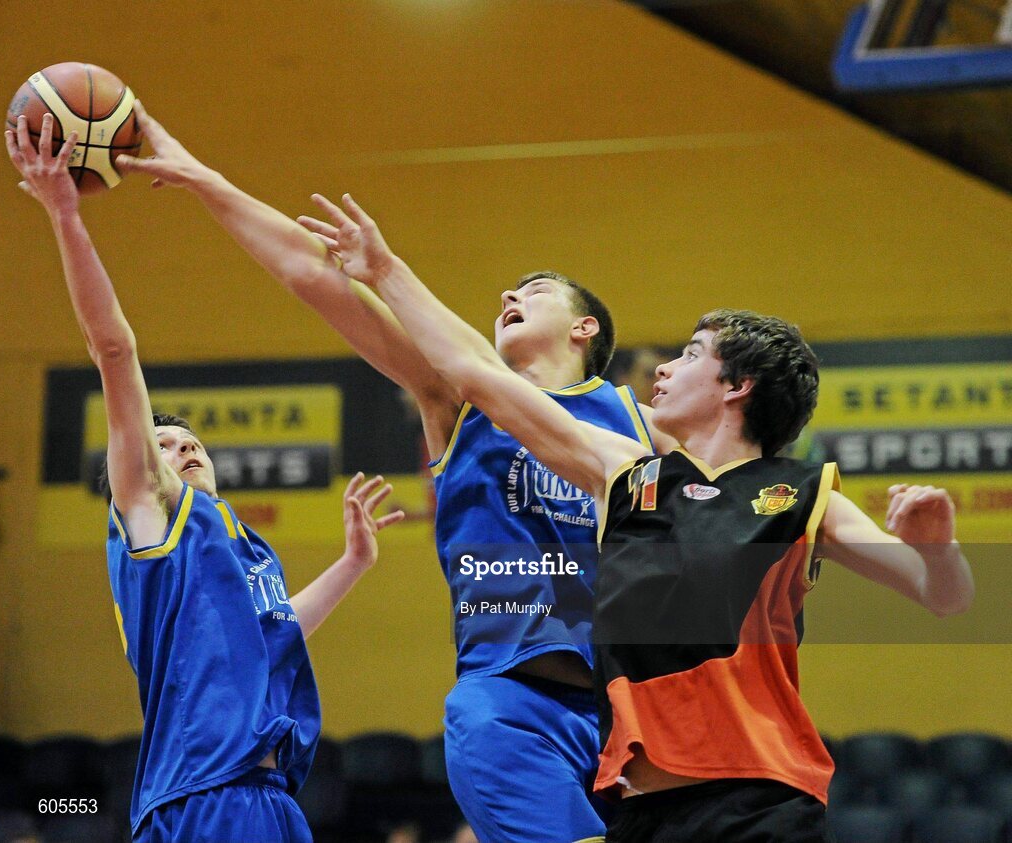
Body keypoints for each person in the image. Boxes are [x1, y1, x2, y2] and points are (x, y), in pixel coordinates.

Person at [319, 194, 976, 843]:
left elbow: (944, 595)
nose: (663, 365)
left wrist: (938, 549)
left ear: (737, 385)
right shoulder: (624, 475)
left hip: (757, 796)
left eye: (690, 354)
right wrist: (384, 271)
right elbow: (475, 376)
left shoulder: (803, 494)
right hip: (640, 810)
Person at [114, 102, 675, 843]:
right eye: (506, 292)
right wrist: (204, 180)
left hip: (632, 708)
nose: (509, 296)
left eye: (534, 290)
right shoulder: (460, 398)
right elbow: (313, 277)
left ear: (586, 328)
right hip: (516, 700)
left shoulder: (641, 426)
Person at [5, 115, 404, 843]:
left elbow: (272, 631)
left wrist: (351, 564)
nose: (180, 448)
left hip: (271, 794)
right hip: (204, 791)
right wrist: (64, 213)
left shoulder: (241, 544)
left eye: (190, 441)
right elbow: (116, 349)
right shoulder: (153, 517)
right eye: (161, 443)